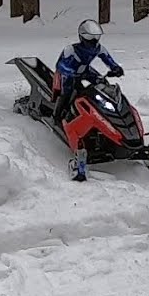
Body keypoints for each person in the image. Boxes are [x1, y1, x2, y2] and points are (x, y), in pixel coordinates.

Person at [53, 19, 124, 181]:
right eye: (91, 38)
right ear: (82, 37)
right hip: (70, 74)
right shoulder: (70, 50)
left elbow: (108, 59)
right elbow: (61, 65)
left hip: (86, 71)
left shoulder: (98, 48)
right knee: (69, 92)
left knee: (102, 84)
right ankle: (58, 115)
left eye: (96, 38)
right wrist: (70, 72)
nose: (94, 42)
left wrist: (115, 68)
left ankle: (103, 115)